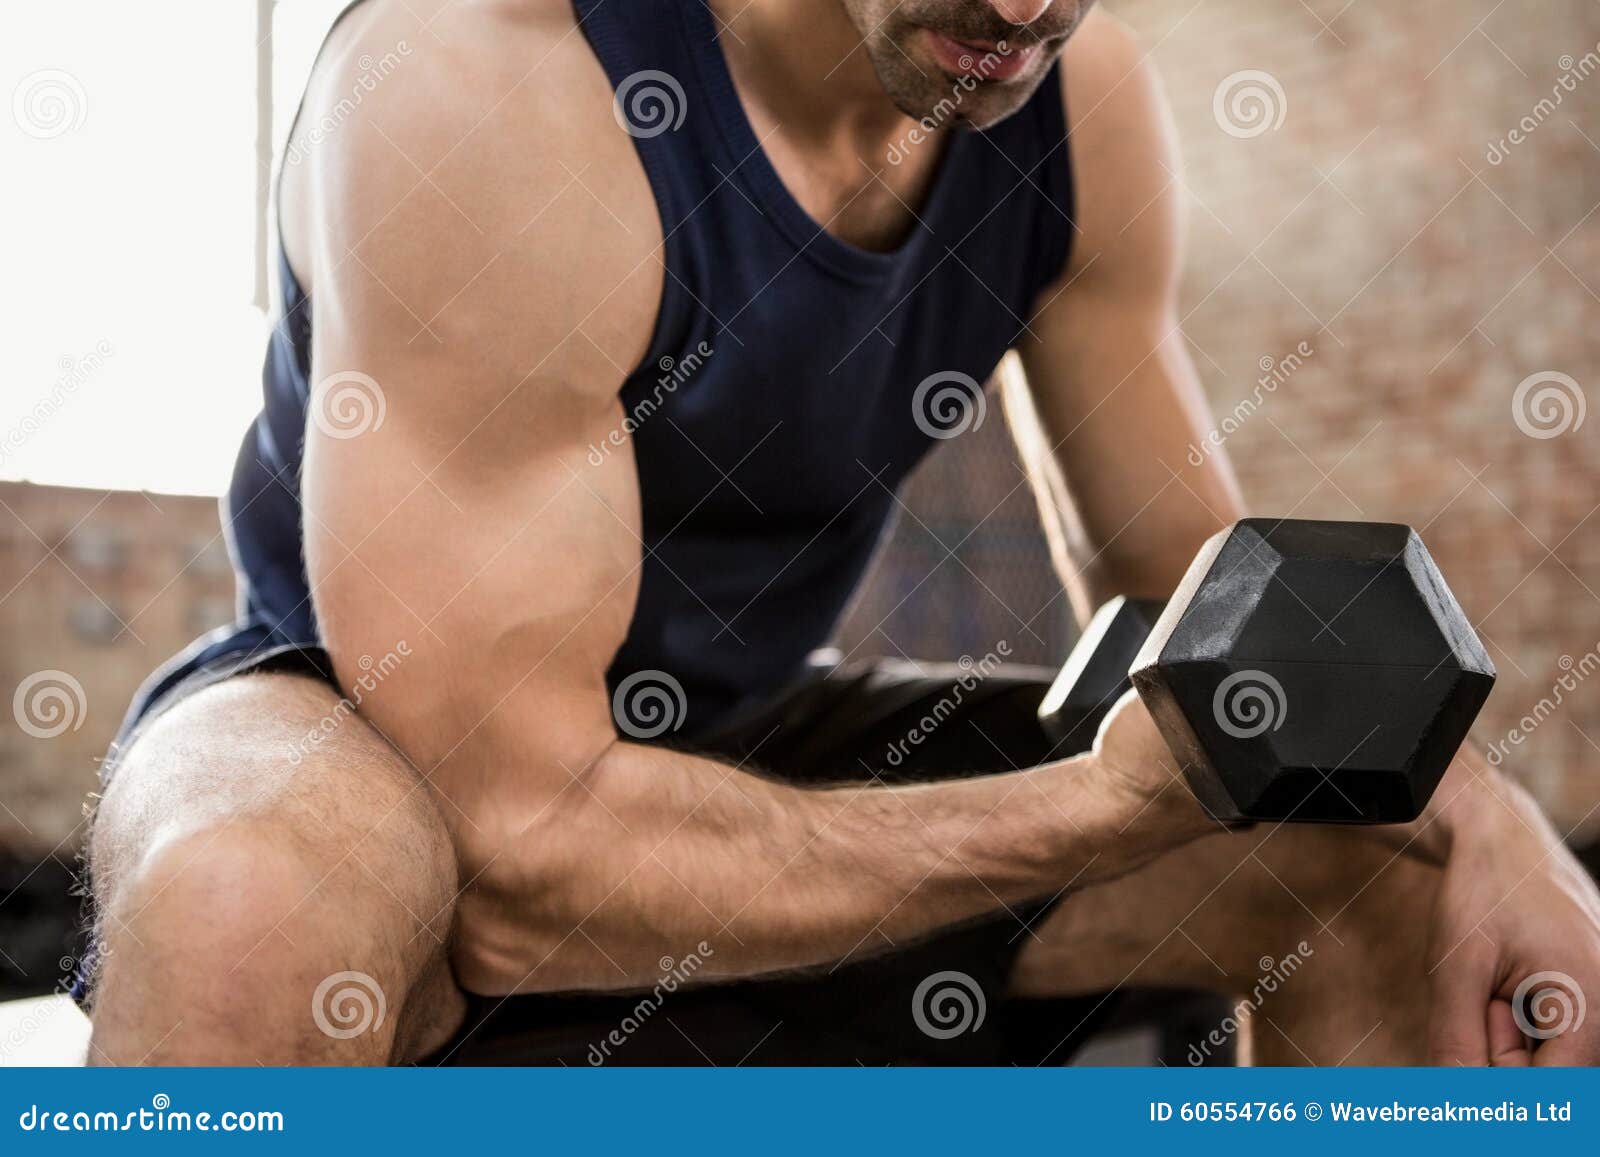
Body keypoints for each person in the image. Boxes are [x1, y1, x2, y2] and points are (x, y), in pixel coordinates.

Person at [83, 0, 1600, 1066]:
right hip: (382, 737)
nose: (1024, 5)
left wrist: (1491, 822)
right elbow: (525, 851)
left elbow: (1210, 597)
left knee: (1404, 872)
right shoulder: (485, 81)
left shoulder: (1082, 102)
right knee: (243, 904)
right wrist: (1094, 810)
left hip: (746, 730)